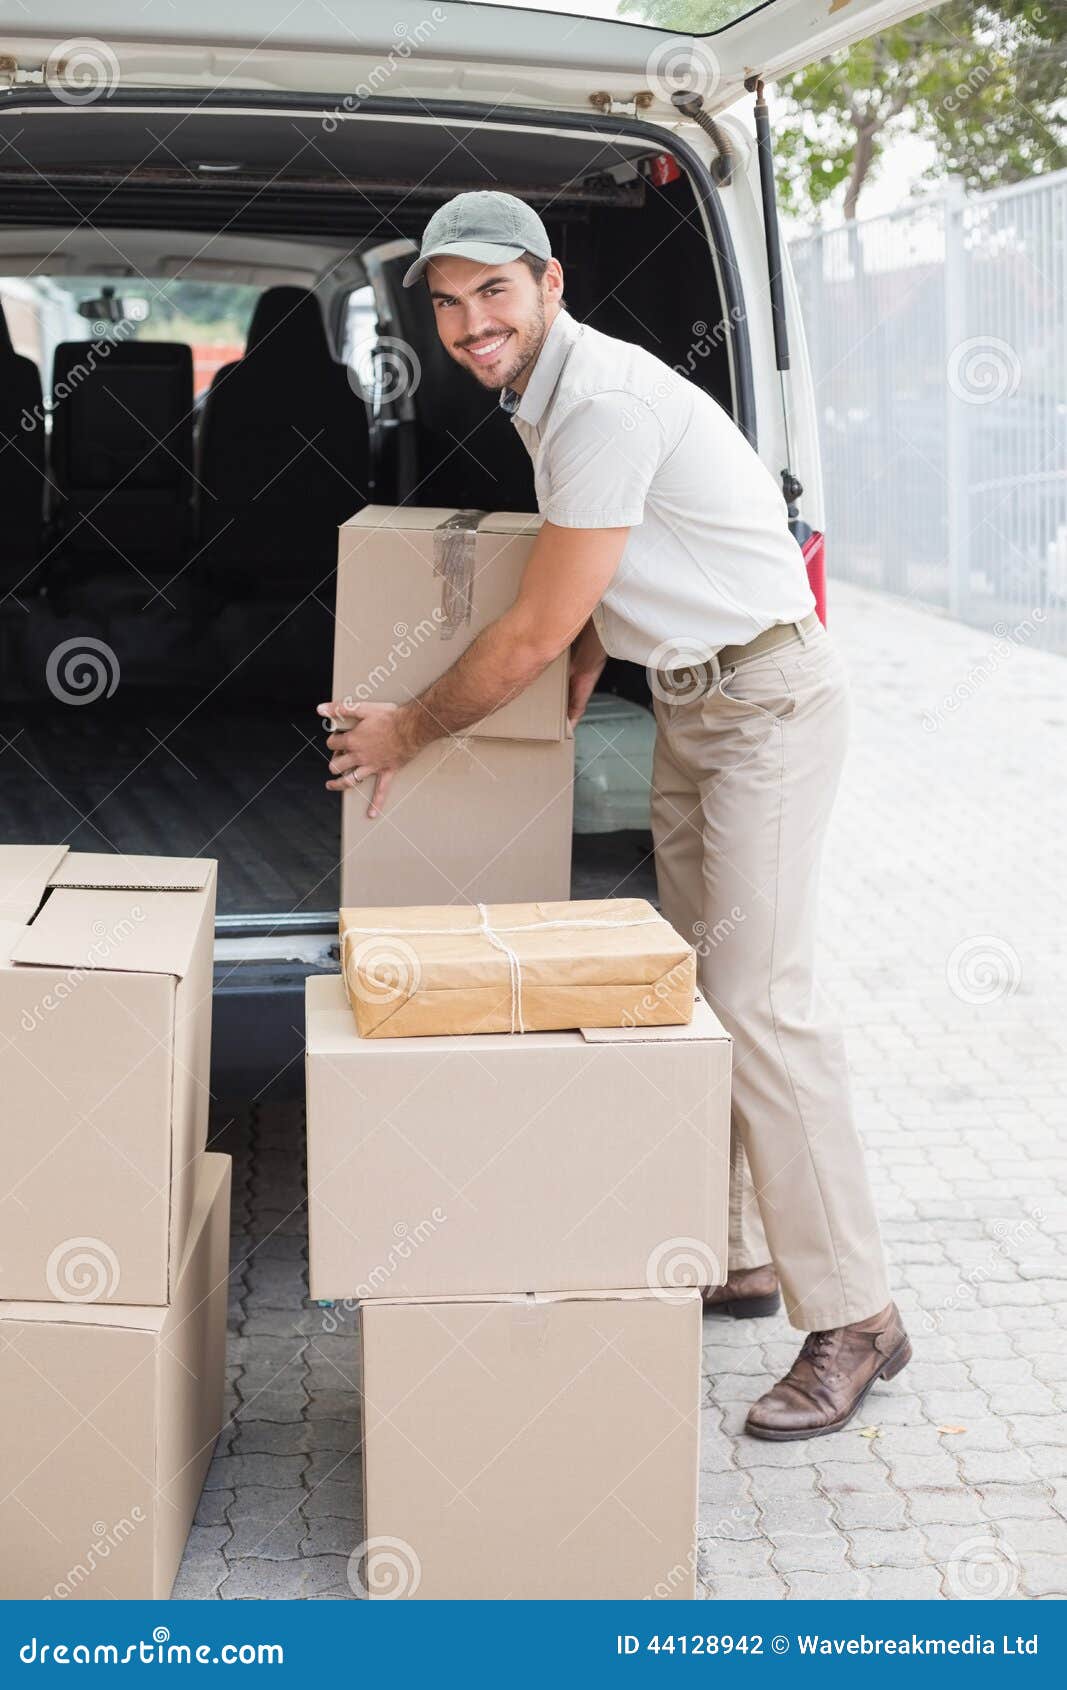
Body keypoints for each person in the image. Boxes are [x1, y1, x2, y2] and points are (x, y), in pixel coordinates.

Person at [318, 190, 911, 1439]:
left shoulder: (593, 402)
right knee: (698, 984)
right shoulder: (543, 392)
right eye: (447, 302)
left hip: (764, 703)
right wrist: (590, 652)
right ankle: (740, 1255)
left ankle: (855, 1314)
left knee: (760, 996)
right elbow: (585, 586)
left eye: (493, 293)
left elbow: (528, 625)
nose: (471, 323)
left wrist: (405, 728)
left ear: (548, 281)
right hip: (697, 701)